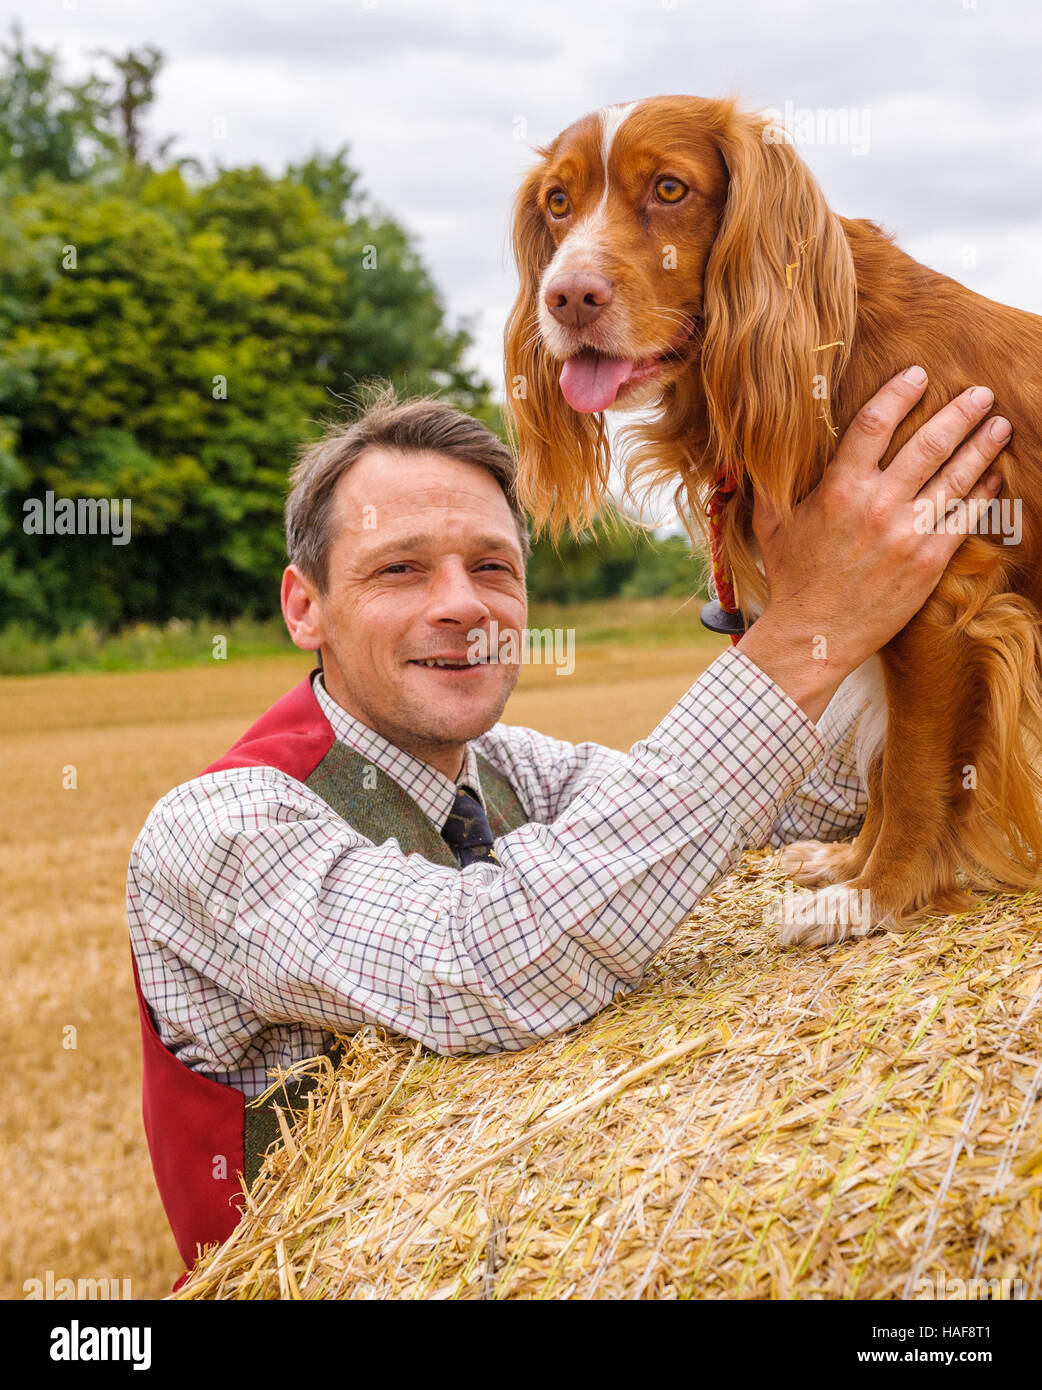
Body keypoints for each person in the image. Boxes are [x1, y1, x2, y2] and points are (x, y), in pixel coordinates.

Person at [126, 372, 1008, 1272]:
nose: (463, 605)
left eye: (492, 567)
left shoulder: (516, 771)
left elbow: (782, 813)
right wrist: (806, 632)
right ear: (303, 606)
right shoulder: (217, 830)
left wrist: (863, 597)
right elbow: (485, 964)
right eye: (400, 568)